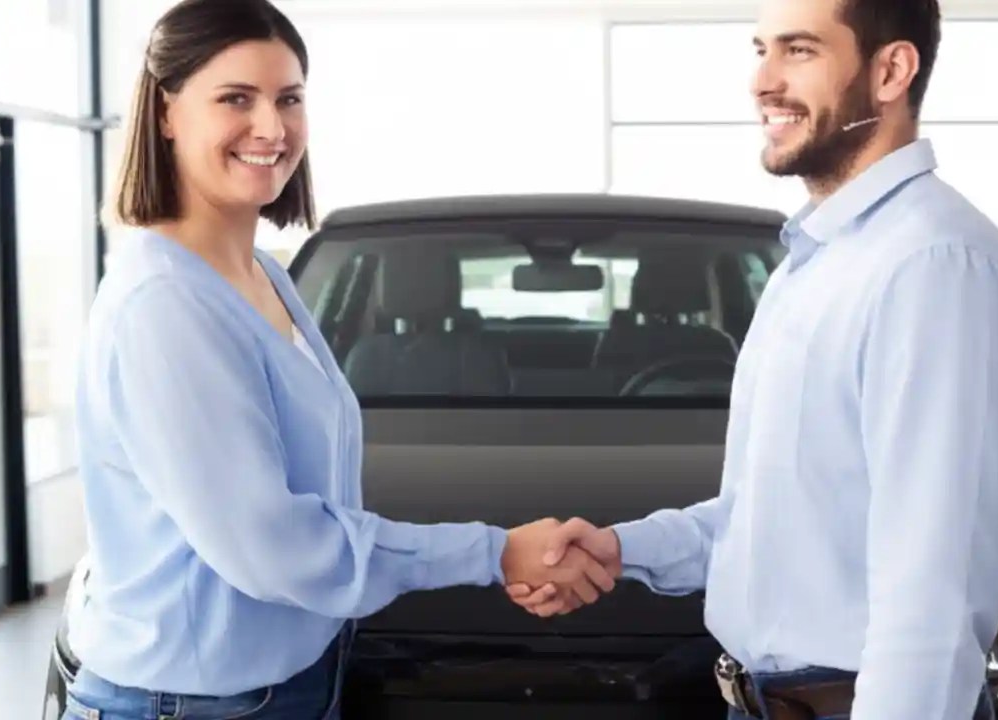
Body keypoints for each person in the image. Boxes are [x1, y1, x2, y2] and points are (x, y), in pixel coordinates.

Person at [63, 1, 616, 719]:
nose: (272, 127)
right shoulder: (165, 305)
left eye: (289, 98)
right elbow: (274, 547)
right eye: (236, 98)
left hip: (288, 687)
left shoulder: (267, 277)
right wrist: (492, 553)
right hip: (190, 705)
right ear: (166, 112)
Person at [508, 0, 998, 718]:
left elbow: (933, 604)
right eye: (760, 49)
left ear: (890, 70)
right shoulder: (816, 262)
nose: (762, 81)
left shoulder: (935, 269)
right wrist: (622, 548)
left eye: (798, 51)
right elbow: (774, 518)